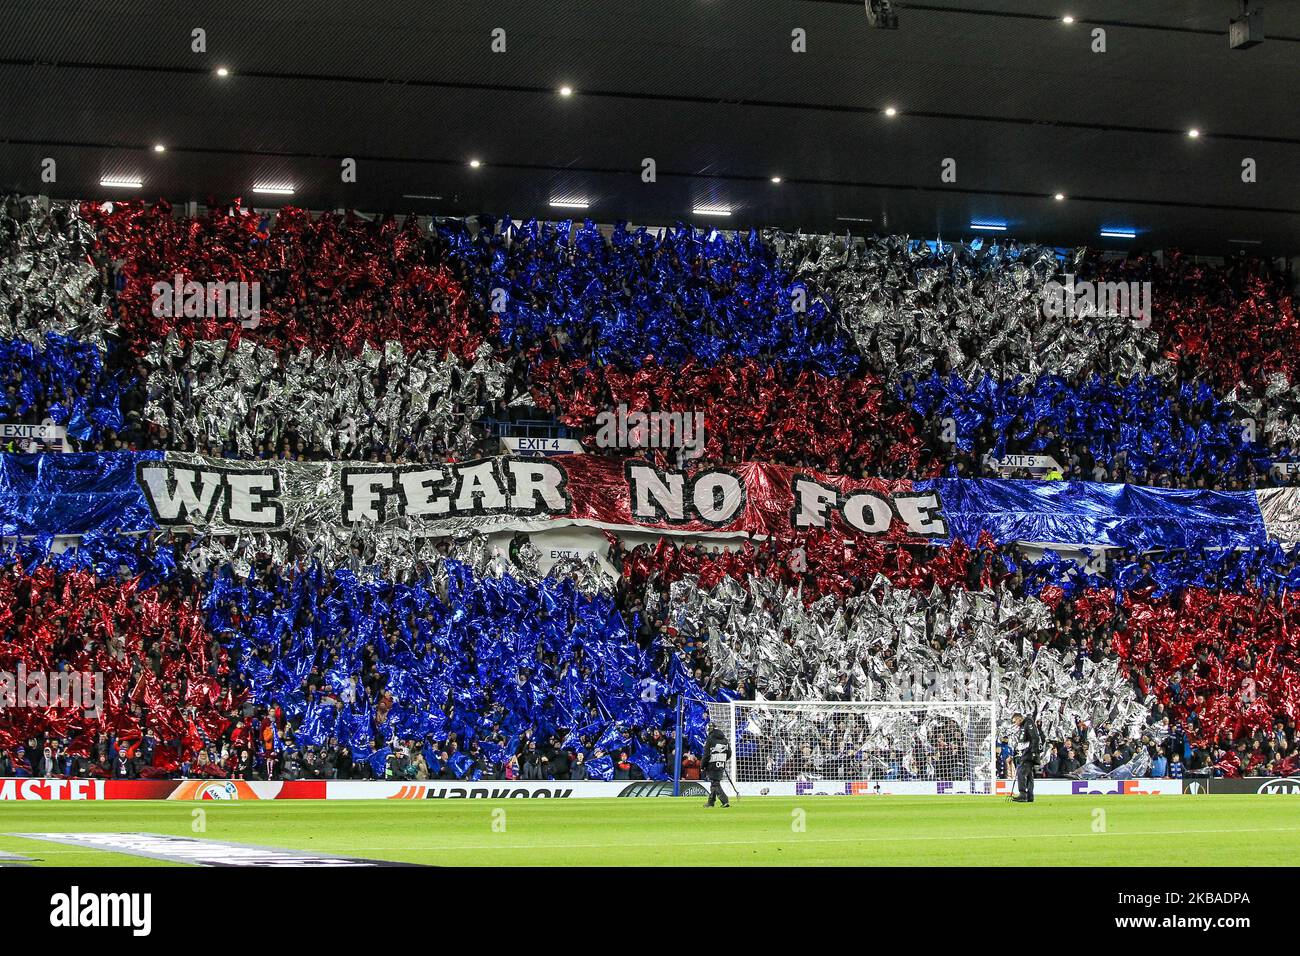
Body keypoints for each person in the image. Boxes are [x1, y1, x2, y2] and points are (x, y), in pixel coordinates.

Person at [1010, 712, 1040, 803]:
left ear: (1019, 719)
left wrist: (1033, 752)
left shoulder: (1028, 723)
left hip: (1029, 753)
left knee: (1021, 772)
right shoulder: (1024, 725)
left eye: (1015, 721)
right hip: (1027, 753)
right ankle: (1030, 796)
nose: (1015, 723)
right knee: (1029, 775)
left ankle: (1023, 794)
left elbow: (1035, 738)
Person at [703, 724, 732, 809]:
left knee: (715, 783)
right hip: (721, 763)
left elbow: (706, 755)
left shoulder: (710, 739)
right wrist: (722, 759)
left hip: (712, 764)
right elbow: (729, 753)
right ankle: (710, 802)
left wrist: (702, 765)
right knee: (714, 783)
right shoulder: (725, 740)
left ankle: (725, 801)